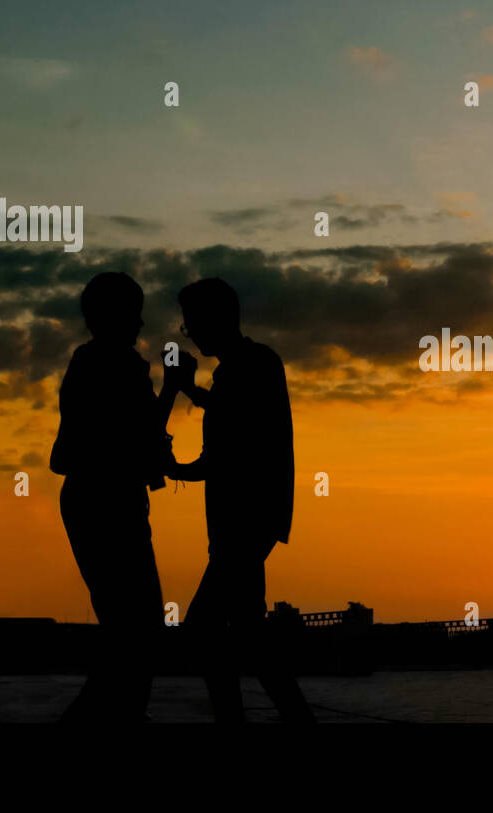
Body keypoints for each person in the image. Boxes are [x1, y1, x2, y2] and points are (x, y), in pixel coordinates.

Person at [164, 277, 313, 723]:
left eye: (193, 325)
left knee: (204, 629)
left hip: (243, 526)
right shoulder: (250, 365)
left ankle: (234, 720)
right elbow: (234, 418)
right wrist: (192, 392)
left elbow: (229, 451)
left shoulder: (245, 367)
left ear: (216, 319)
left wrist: (177, 469)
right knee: (249, 633)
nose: (192, 333)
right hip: (250, 523)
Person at [49, 272, 177, 722]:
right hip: (108, 503)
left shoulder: (86, 361)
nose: (141, 324)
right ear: (118, 317)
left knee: (128, 630)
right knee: (138, 631)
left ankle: (114, 715)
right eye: (135, 314)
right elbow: (144, 435)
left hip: (91, 500)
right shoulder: (118, 364)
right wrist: (175, 386)